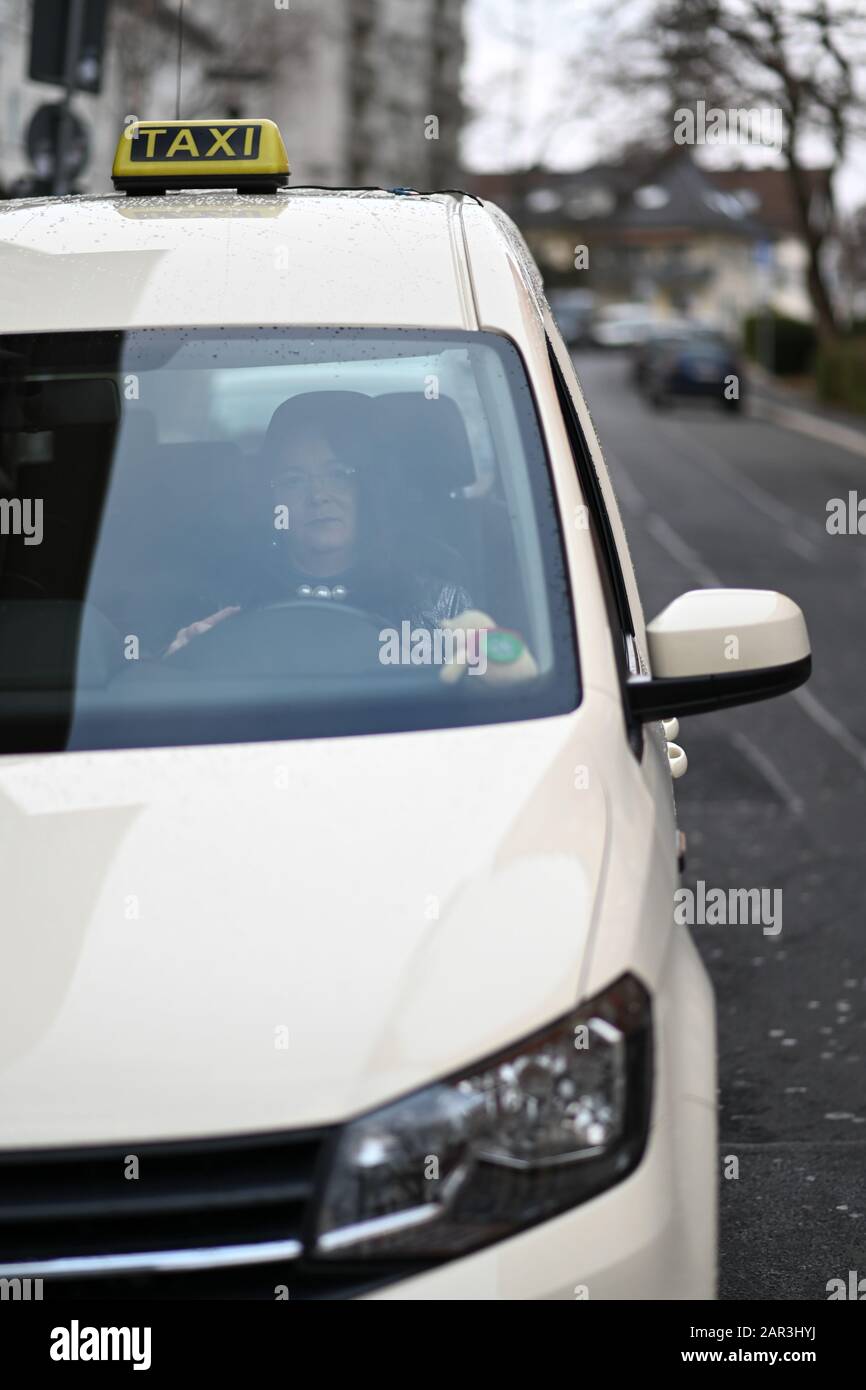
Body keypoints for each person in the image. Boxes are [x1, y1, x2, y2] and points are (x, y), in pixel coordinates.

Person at [165, 390, 474, 655]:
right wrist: (180, 662)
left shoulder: (438, 604)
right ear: (271, 498)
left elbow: (477, 696)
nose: (318, 496)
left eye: (339, 474)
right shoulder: (223, 596)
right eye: (293, 480)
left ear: (369, 487)